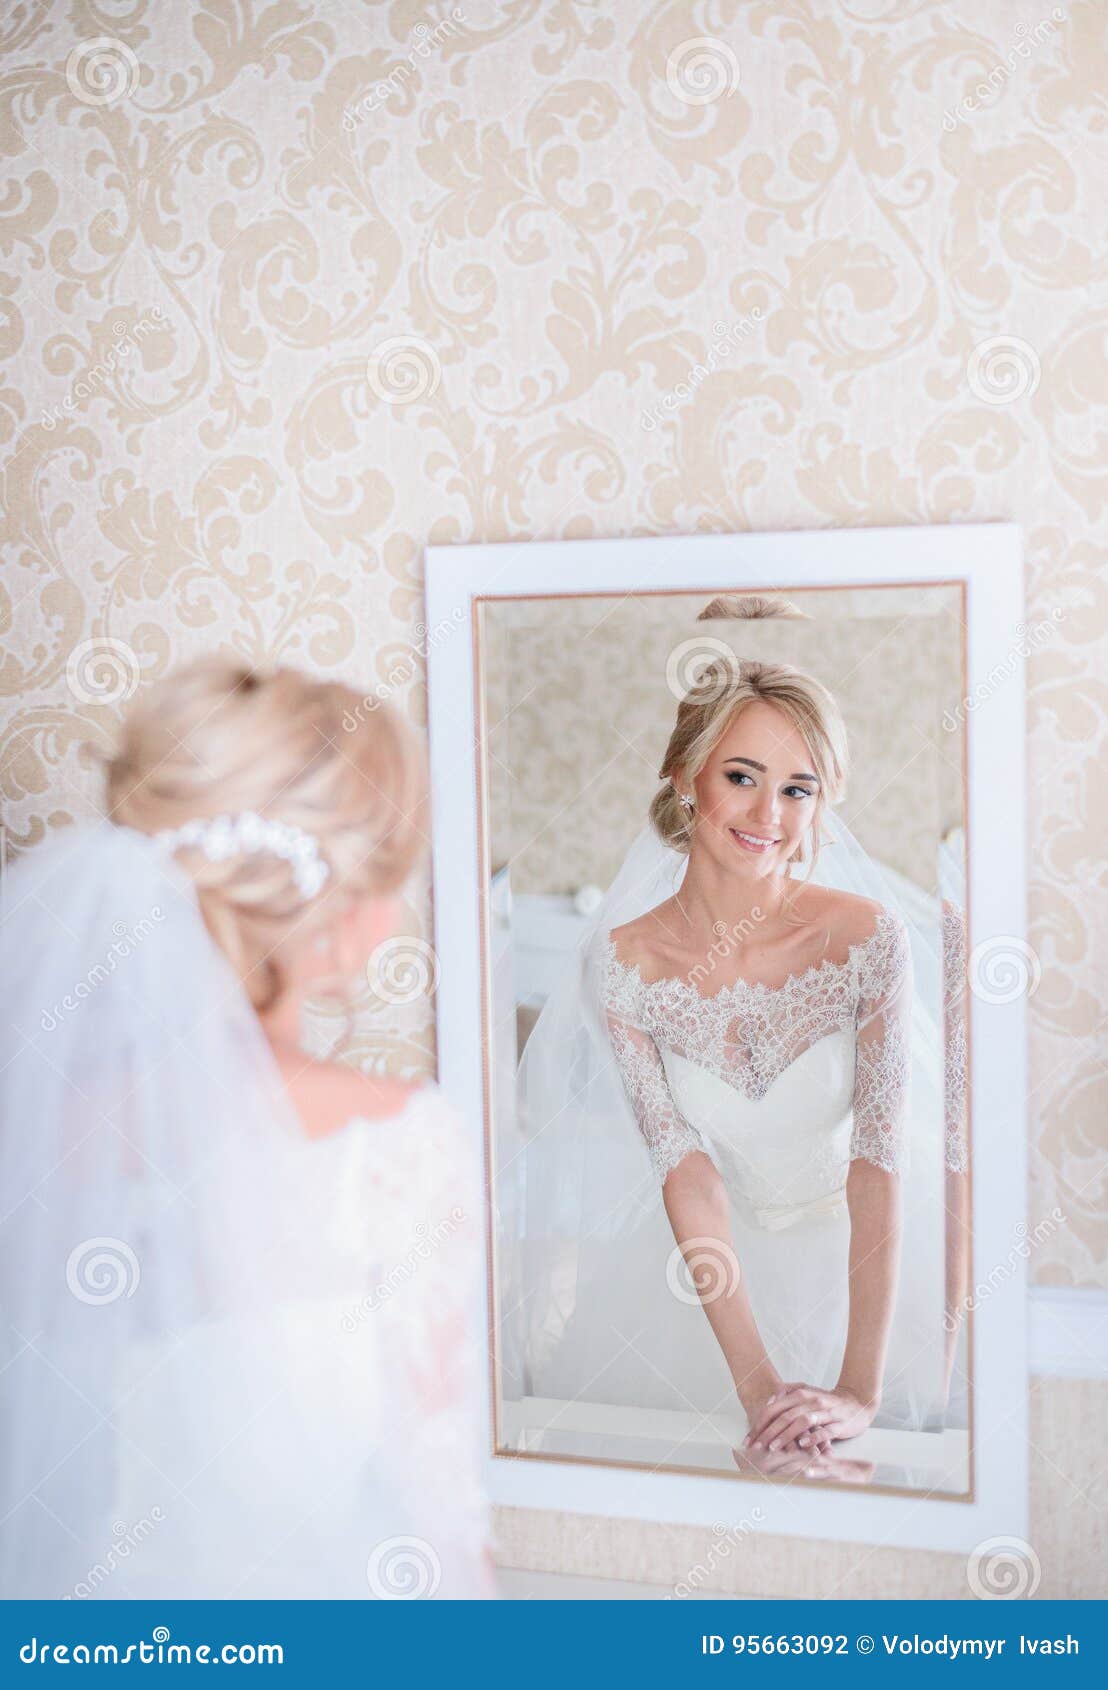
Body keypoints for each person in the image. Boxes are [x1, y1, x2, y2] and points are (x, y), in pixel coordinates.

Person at [0, 655, 499, 1599]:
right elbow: (436, 1506)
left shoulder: (32, 1122)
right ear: (342, 903)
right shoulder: (395, 1143)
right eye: (396, 870)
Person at [509, 598, 955, 1478]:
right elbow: (688, 1174)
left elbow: (877, 1159)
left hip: (880, 1250)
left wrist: (858, 1386)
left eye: (799, 788)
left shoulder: (867, 938)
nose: (770, 815)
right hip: (715, 1270)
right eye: (741, 776)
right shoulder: (626, 963)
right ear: (685, 777)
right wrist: (757, 1387)